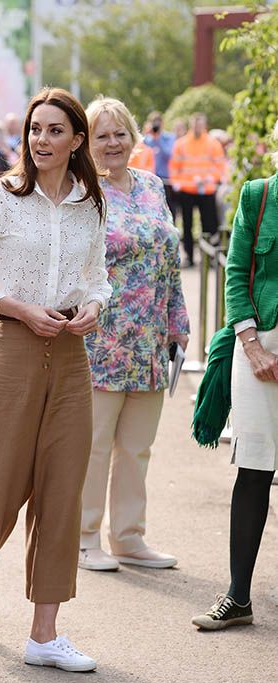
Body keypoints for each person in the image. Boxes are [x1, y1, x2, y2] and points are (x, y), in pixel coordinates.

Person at [0, 87, 111, 672]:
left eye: (53, 131)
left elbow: (99, 277)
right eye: (34, 129)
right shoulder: (0, 196)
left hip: (72, 353)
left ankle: (45, 633)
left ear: (76, 140)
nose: (40, 140)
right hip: (16, 346)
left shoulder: (90, 203)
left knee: (62, 489)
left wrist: (95, 304)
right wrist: (17, 308)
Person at [79, 96, 190, 572]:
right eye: (102, 135)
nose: (112, 143)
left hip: (149, 340)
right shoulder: (81, 192)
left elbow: (170, 261)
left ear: (133, 137)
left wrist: (178, 323)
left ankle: (128, 536)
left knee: (137, 446)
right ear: (87, 142)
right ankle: (83, 538)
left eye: (119, 133)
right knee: (94, 444)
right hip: (101, 338)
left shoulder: (151, 185)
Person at [192, 133, 278, 631]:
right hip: (258, 348)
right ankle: (238, 597)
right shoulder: (257, 195)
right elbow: (237, 272)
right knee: (254, 467)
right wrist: (252, 346)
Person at [169, 112, 225, 267]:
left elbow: (220, 166)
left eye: (200, 124)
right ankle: (189, 257)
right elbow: (174, 167)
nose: (197, 127)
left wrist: (210, 178)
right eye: (195, 124)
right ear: (191, 125)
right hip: (187, 189)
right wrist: (176, 183)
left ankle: (211, 257)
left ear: (204, 125)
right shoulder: (181, 144)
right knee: (187, 226)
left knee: (209, 225)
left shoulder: (213, 143)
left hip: (206, 190)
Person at [144, 111, 177, 221]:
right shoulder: (146, 140)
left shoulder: (169, 138)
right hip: (151, 179)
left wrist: (158, 140)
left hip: (166, 179)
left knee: (170, 207)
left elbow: (169, 155)